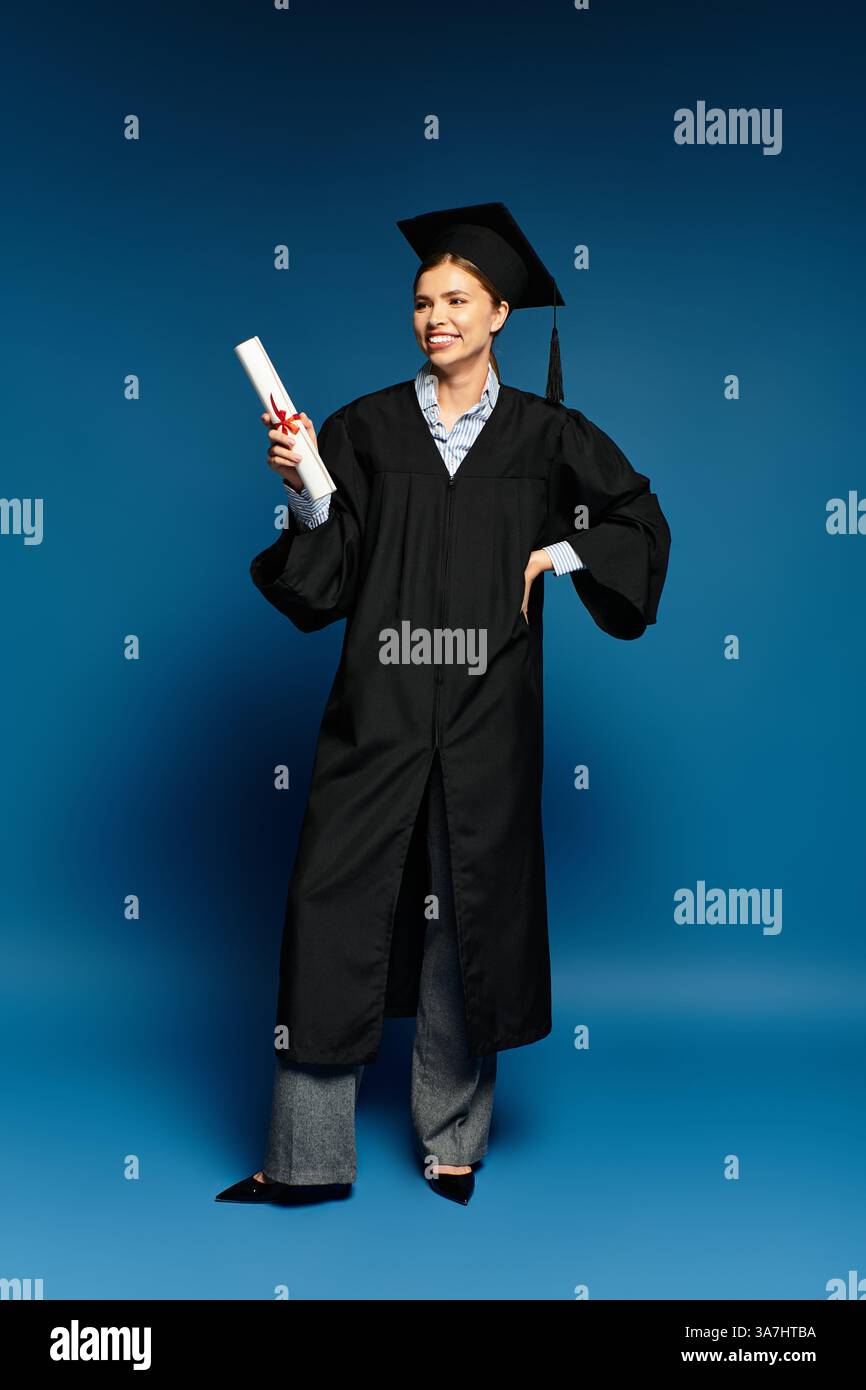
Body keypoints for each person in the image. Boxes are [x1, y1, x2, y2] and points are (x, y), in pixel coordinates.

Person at [215, 202, 671, 1209]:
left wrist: (556, 552)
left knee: (466, 914)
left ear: (500, 311)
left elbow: (636, 523)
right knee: (329, 910)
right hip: (374, 710)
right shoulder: (363, 428)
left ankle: (451, 1141)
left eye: (458, 299)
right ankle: (303, 1158)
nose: (436, 316)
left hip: (486, 717)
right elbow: (320, 576)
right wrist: (307, 492)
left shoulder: (547, 435)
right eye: (423, 301)